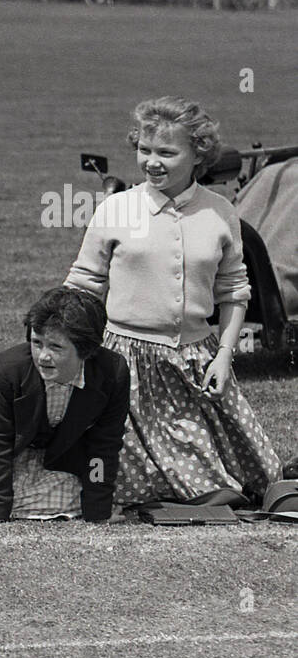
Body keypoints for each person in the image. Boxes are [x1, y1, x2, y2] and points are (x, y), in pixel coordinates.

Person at [64, 96, 281, 504]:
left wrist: (224, 356)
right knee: (139, 471)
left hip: (197, 361)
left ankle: (209, 486)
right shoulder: (115, 209)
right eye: (145, 150)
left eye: (167, 152)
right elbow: (83, 284)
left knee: (262, 475)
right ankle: (194, 489)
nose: (151, 161)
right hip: (124, 363)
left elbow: (234, 292)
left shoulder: (221, 213)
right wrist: (69, 345)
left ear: (198, 154)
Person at [0, 287, 131, 522]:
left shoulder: (112, 373)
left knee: (92, 490)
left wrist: (98, 510)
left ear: (86, 351)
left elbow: (103, 447)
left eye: (56, 347)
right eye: (37, 343)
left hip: (51, 454)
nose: (43, 356)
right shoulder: (7, 370)